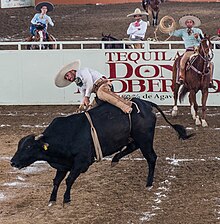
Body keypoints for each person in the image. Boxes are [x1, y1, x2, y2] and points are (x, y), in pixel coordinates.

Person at [54, 60, 133, 114]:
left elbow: (90, 83)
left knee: (101, 93)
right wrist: (83, 103)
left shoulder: (83, 71)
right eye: (66, 78)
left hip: (104, 85)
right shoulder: (78, 81)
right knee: (91, 111)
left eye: (67, 75)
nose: (68, 78)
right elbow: (83, 92)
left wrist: (87, 97)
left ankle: (125, 106)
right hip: (98, 91)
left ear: (71, 70)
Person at [170, 14, 215, 88]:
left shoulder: (198, 30)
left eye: (190, 22)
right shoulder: (182, 31)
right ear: (186, 24)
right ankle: (182, 77)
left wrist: (198, 38)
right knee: (182, 62)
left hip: (198, 51)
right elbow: (172, 33)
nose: (189, 23)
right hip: (189, 50)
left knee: (210, 64)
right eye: (187, 22)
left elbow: (203, 41)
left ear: (193, 23)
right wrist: (170, 28)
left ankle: (210, 80)